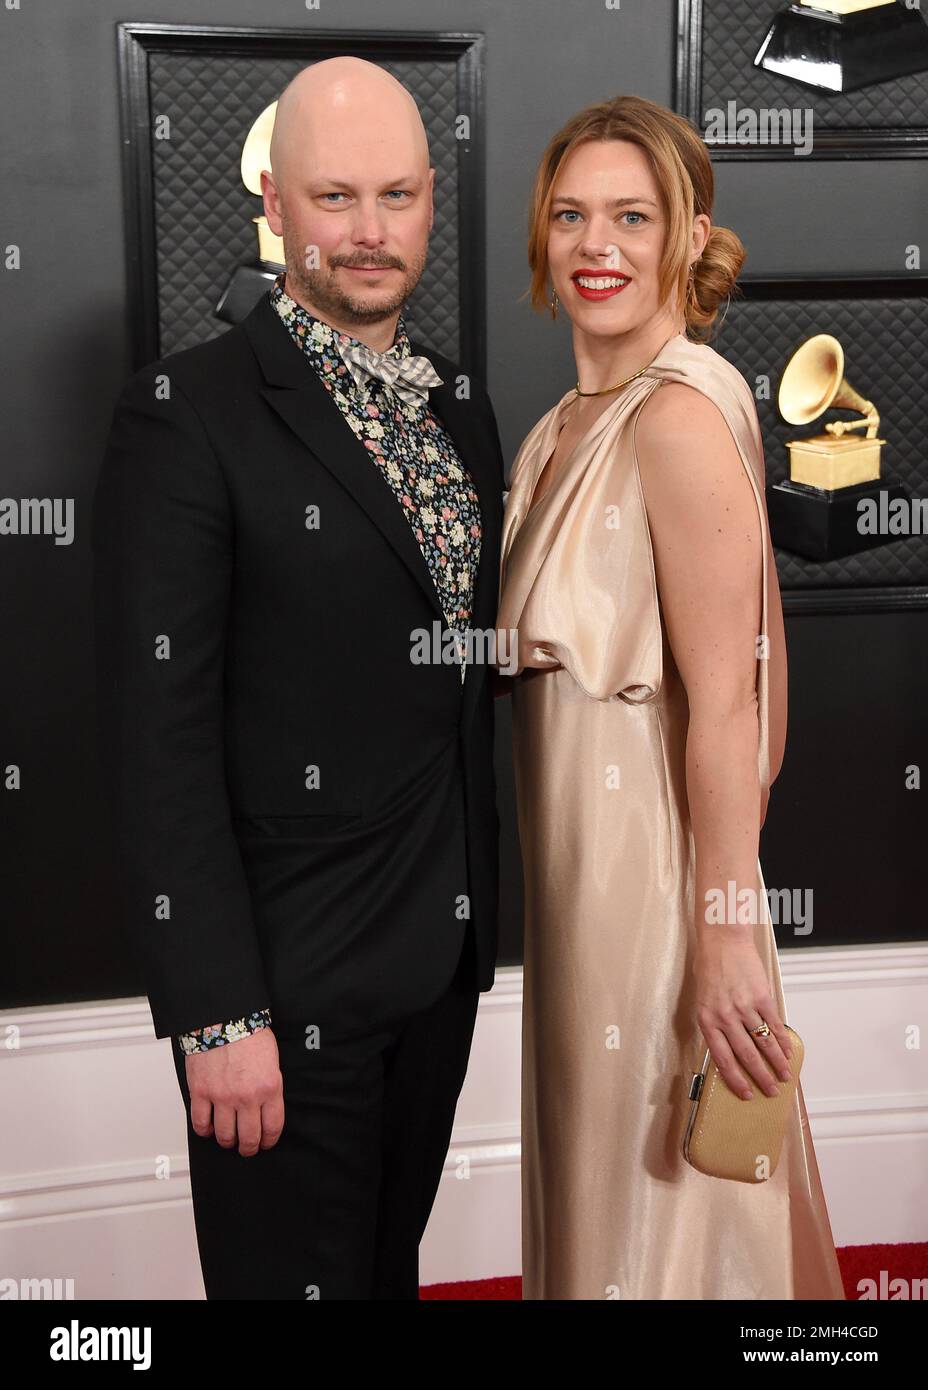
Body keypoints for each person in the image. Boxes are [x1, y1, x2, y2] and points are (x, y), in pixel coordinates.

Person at [91, 57, 504, 1299]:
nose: (370, 233)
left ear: (434, 198)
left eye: (396, 195)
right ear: (273, 202)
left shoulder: (461, 409)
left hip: (439, 958)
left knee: (385, 1275)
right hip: (279, 988)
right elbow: (152, 738)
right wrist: (215, 1013)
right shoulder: (187, 413)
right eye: (335, 198)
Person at [495, 94, 846, 1300]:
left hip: (654, 893)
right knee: (605, 1193)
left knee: (672, 1220)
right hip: (575, 888)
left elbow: (731, 704)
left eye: (631, 217)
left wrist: (721, 932)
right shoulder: (556, 429)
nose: (597, 246)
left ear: (689, 239)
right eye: (571, 216)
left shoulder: (680, 413)